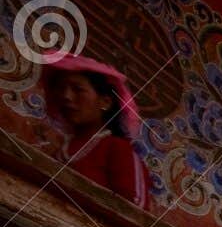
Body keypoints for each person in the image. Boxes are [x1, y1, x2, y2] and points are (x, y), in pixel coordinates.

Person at [40, 54, 150, 210]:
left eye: (77, 90)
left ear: (104, 102)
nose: (66, 97)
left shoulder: (118, 148)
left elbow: (134, 209)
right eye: (61, 89)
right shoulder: (59, 153)